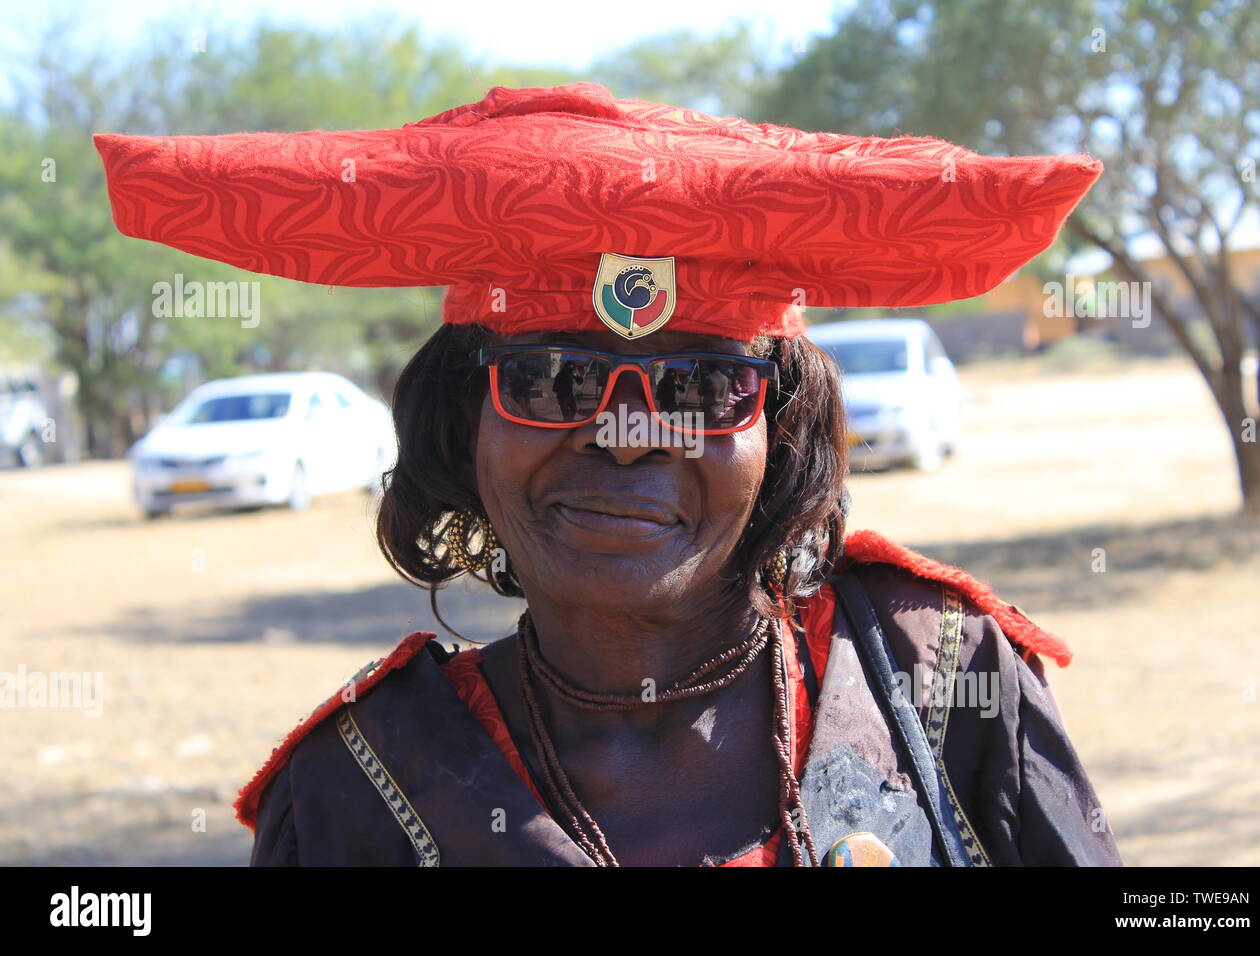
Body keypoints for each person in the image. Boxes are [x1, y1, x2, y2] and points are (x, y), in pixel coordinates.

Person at [95, 82, 1119, 867]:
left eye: (704, 386)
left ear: (780, 428)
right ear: (464, 424)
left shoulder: (935, 673)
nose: (628, 434)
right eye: (555, 377)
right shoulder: (358, 785)